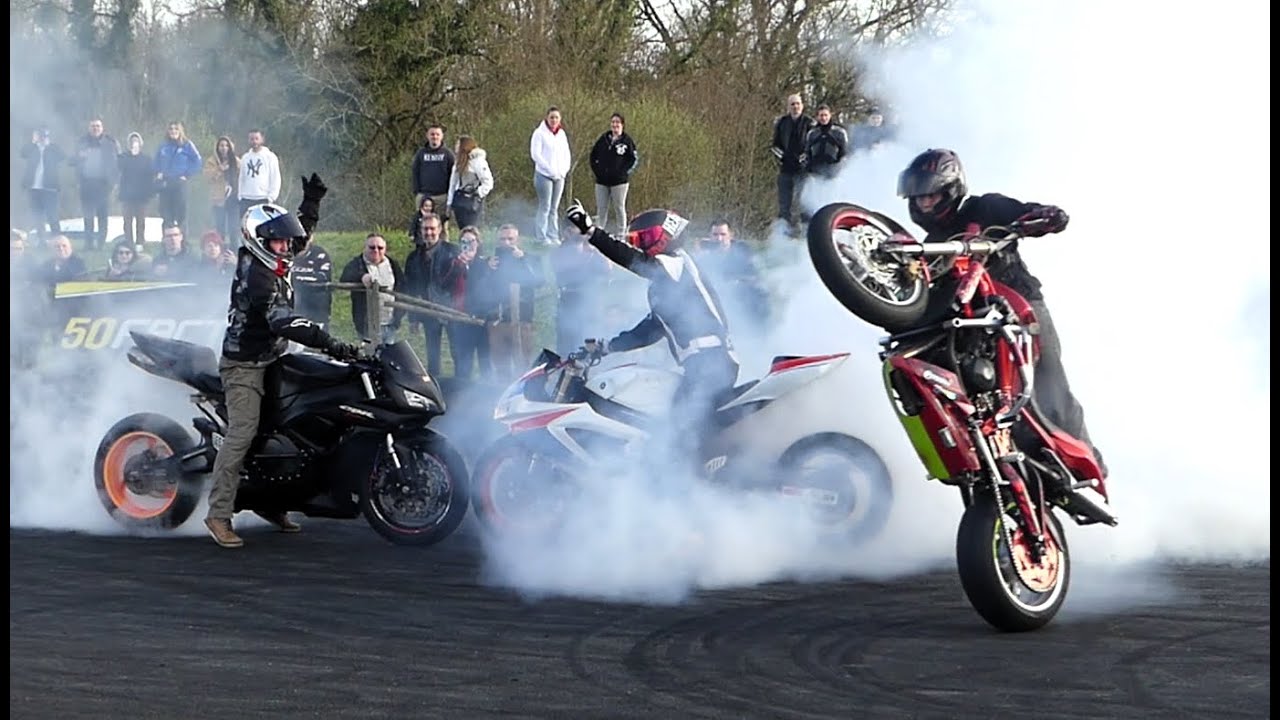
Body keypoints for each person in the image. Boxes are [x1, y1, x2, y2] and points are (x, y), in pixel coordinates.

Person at [896, 148, 1107, 476]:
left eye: (931, 195)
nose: (924, 203)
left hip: (1020, 306)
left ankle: (1091, 466)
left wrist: (1044, 216)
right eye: (919, 198)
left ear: (950, 189)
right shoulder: (931, 242)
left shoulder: (985, 207)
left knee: (1051, 384)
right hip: (973, 328)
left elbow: (1026, 212)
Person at [203, 174, 361, 549]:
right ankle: (218, 514)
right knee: (243, 432)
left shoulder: (274, 256)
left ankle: (270, 501)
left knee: (290, 423)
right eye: (277, 241)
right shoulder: (257, 276)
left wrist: (312, 202)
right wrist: (330, 343)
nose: (286, 246)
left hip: (273, 356)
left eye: (284, 241)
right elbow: (282, 321)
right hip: (244, 364)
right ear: (260, 242)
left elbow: (298, 236)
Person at [565, 199, 739, 470]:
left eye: (645, 238)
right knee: (669, 419)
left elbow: (633, 260)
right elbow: (648, 331)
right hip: (704, 362)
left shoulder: (678, 262)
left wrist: (591, 232)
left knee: (679, 425)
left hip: (710, 360)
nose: (641, 245)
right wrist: (607, 347)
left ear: (666, 236)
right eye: (637, 240)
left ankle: (708, 471)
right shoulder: (665, 286)